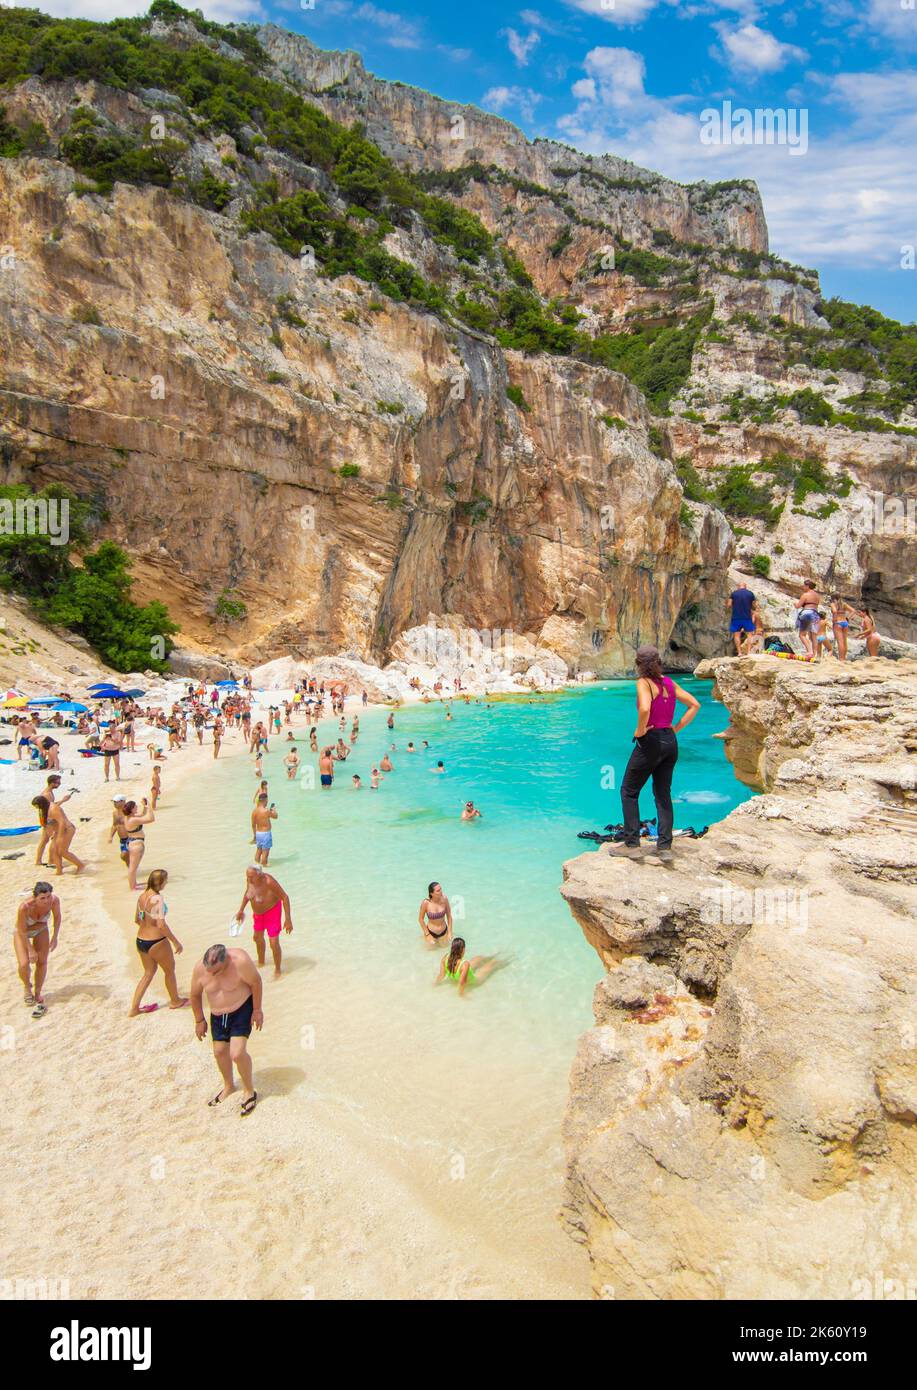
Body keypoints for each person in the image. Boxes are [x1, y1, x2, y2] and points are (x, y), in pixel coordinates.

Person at [614, 646, 700, 864]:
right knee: (662, 794)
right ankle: (664, 847)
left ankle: (632, 845)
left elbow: (644, 709)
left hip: (650, 740)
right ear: (659, 662)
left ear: (639, 665)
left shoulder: (644, 683)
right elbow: (694, 705)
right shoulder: (669, 683)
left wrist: (640, 730)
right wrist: (675, 729)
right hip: (670, 742)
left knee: (629, 791)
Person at [190, 944, 262, 1115]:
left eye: (217, 971)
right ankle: (229, 1086)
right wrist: (199, 1020)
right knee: (219, 1052)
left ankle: (249, 1090)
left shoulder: (240, 961)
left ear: (227, 960)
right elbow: (194, 994)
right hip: (218, 1015)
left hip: (241, 1010)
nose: (212, 975)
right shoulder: (201, 968)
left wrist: (257, 1010)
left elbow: (256, 982)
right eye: (210, 971)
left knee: (236, 1053)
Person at [129, 869, 188, 1016]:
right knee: (169, 971)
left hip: (141, 940)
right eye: (166, 880)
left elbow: (137, 919)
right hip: (156, 941)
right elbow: (161, 925)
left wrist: (147, 929)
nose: (167, 883)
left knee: (148, 973)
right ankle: (175, 1001)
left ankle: (134, 1008)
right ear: (160, 882)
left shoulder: (142, 896)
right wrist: (175, 942)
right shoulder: (157, 899)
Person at [235, 865, 293, 978]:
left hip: (272, 913)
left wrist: (288, 919)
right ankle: (261, 962)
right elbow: (248, 893)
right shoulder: (250, 880)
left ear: (260, 874)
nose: (249, 879)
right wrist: (241, 910)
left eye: (251, 877)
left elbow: (285, 897)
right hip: (258, 915)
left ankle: (278, 969)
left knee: (274, 943)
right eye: (247, 877)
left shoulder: (269, 882)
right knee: (257, 938)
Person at [13, 882, 61, 1017]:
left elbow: (57, 918)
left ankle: (38, 992)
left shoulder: (54, 901)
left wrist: (55, 937)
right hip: (22, 933)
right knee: (23, 964)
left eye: (48, 896)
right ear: (35, 898)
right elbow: (22, 931)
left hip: (41, 929)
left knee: (42, 962)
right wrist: (30, 950)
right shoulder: (25, 907)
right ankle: (27, 988)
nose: (46, 901)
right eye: (42, 898)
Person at [434, 937, 501, 997]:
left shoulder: (445, 957)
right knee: (491, 965)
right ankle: (499, 957)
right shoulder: (465, 964)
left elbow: (442, 975)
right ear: (463, 950)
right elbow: (462, 982)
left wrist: (436, 983)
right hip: (473, 981)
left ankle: (494, 956)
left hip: (457, 974)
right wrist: (461, 995)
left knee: (477, 959)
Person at [48, 789, 85, 876]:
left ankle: (80, 865)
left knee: (63, 851)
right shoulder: (48, 808)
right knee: (54, 850)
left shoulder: (53, 809)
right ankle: (59, 870)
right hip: (58, 831)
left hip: (66, 829)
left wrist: (59, 836)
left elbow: (62, 823)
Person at [121, 798, 155, 890]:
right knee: (132, 868)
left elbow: (142, 815)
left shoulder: (129, 817)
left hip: (134, 843)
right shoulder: (132, 820)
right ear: (132, 809)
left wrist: (144, 806)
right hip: (136, 845)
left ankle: (134, 884)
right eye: (135, 806)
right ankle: (132, 888)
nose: (137, 807)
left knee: (133, 867)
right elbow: (151, 819)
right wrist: (149, 806)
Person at [726, 581, 756, 656]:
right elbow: (754, 606)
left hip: (736, 617)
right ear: (745, 586)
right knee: (750, 635)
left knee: (737, 635)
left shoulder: (734, 594)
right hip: (747, 617)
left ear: (738, 586)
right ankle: (749, 652)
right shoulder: (750, 594)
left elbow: (729, 605)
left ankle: (739, 653)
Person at [419, 882, 452, 946]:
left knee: (444, 948)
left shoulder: (444, 899)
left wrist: (450, 932)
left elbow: (449, 916)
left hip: (444, 932)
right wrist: (427, 934)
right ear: (432, 893)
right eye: (438, 891)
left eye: (441, 889)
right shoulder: (426, 903)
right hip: (430, 932)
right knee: (431, 952)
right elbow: (420, 919)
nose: (441, 891)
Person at [794, 579, 822, 658]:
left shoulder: (805, 595)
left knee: (802, 635)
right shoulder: (817, 596)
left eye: (804, 585)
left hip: (807, 613)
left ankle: (809, 651)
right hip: (816, 614)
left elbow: (798, 606)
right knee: (814, 635)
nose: (803, 587)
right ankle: (814, 654)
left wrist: (795, 604)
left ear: (807, 586)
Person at [251, 794, 277, 867]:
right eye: (267, 800)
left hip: (258, 833)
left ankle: (256, 866)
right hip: (266, 834)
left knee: (259, 850)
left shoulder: (254, 811)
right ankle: (265, 866)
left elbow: (253, 825)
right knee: (266, 852)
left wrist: (255, 836)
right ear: (265, 800)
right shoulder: (266, 811)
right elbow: (275, 816)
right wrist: (274, 810)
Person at [830, 597, 852, 662]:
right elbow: (853, 611)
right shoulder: (844, 604)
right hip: (845, 622)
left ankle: (841, 659)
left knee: (840, 642)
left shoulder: (833, 604)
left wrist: (834, 620)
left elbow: (834, 611)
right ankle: (844, 658)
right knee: (844, 641)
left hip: (838, 623)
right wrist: (848, 618)